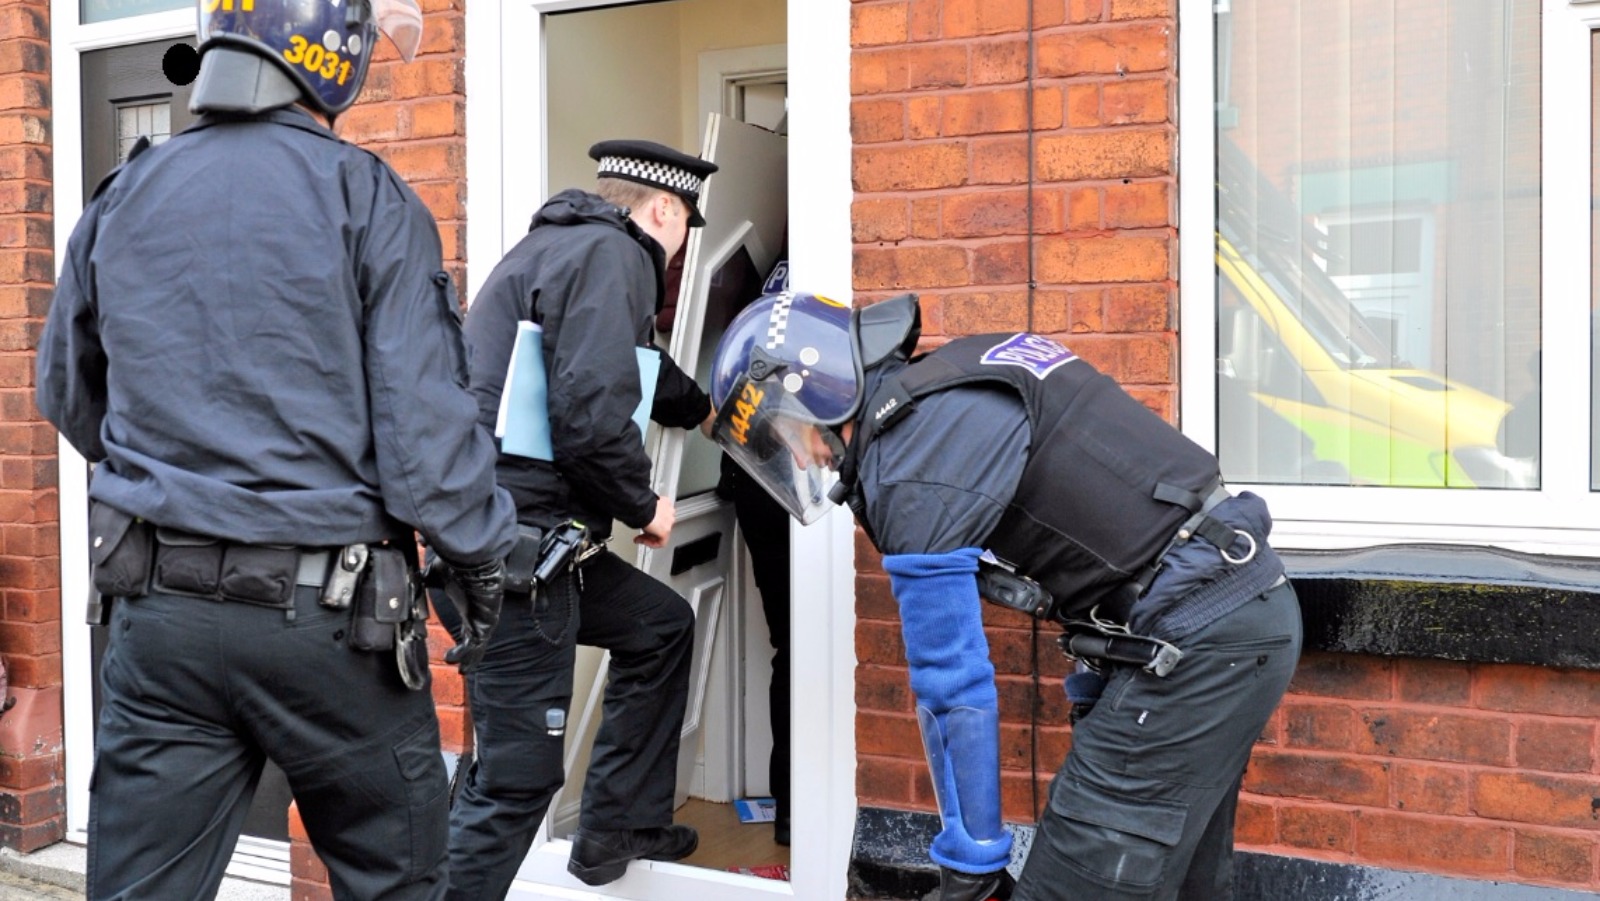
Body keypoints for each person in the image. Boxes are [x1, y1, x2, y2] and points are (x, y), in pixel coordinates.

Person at [34, 2, 518, 899]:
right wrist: (481, 564)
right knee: (397, 880)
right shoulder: (365, 195)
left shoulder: (124, 194)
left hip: (160, 617)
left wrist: (178, 467)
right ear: (332, 52)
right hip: (333, 625)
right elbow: (426, 442)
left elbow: (68, 396)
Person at [708, 291, 1304, 901]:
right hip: (1238, 615)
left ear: (819, 389)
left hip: (1196, 641)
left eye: (786, 433)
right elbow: (1103, 523)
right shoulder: (954, 377)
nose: (805, 456)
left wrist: (971, 866)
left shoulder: (910, 459)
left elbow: (950, 684)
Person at [444, 139, 718, 897]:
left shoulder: (565, 249)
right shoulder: (614, 257)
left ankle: (616, 825)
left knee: (661, 625)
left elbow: (625, 369)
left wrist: (710, 409)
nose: (684, 248)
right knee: (515, 782)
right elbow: (591, 414)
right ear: (665, 208)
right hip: (519, 555)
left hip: (518, 543)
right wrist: (645, 505)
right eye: (689, 227)